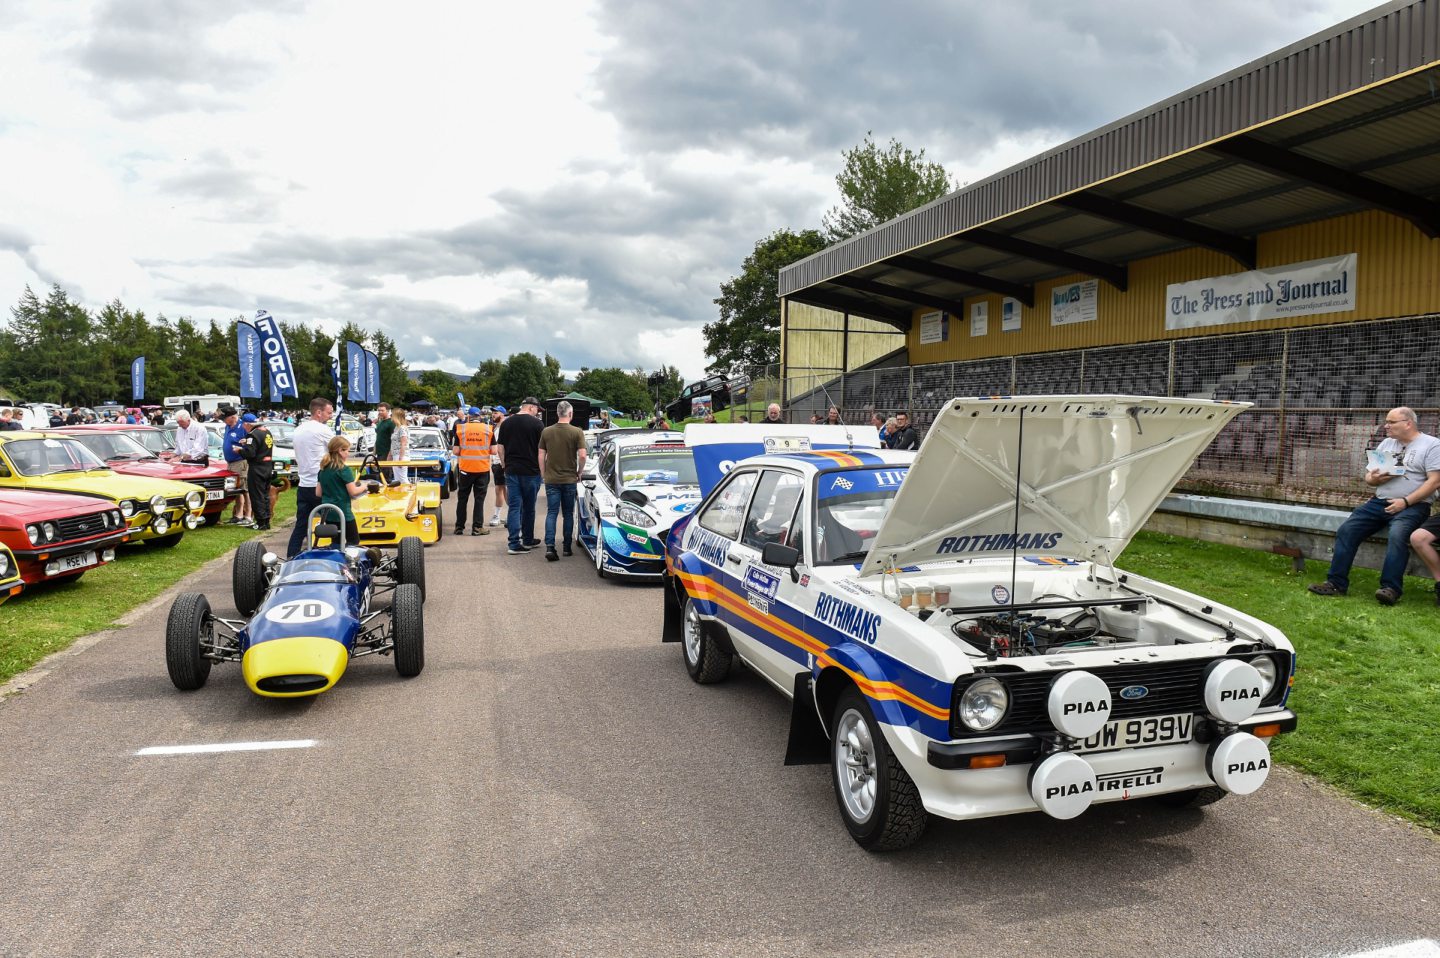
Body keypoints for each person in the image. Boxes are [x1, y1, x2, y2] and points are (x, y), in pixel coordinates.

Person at [1309, 407, 1440, 604]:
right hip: (1379, 502)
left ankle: (1390, 588)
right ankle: (1335, 583)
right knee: (1347, 530)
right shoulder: (1387, 443)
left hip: (1414, 505)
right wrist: (1375, 478)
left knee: (1397, 535)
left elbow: (1434, 481)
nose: (1386, 426)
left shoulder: (1431, 445)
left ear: (1408, 423)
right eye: (1386, 422)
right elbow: (1369, 477)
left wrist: (1405, 502)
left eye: (1391, 422)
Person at [538, 400, 586, 560]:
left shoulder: (546, 431)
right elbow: (582, 455)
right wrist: (579, 472)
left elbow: (541, 454)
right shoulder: (577, 432)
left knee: (551, 512)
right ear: (570, 414)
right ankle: (566, 547)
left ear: (558, 413)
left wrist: (543, 473)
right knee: (567, 513)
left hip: (551, 479)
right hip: (569, 479)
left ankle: (550, 547)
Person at [287, 397, 335, 557]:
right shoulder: (323, 430)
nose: (331, 416)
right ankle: (337, 556)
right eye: (329, 413)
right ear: (318, 412)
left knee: (301, 525)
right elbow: (338, 449)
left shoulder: (298, 429)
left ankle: (291, 556)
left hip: (304, 484)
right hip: (321, 484)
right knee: (335, 522)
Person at [496, 396, 544, 555]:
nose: (537, 413)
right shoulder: (537, 424)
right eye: (537, 409)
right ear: (531, 407)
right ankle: (527, 540)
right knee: (529, 508)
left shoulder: (506, 423)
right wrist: (542, 469)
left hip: (512, 470)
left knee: (514, 507)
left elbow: (500, 448)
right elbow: (542, 450)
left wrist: (505, 465)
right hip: (531, 471)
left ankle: (514, 543)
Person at [318, 435, 367, 545]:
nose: (348, 454)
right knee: (353, 541)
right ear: (340, 450)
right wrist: (364, 486)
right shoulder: (344, 470)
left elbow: (318, 493)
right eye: (347, 451)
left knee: (336, 541)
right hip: (343, 511)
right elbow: (353, 491)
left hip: (328, 512)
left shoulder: (323, 469)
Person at [452, 406, 493, 535]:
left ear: (468, 417)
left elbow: (455, 451)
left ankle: (459, 527)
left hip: (466, 469)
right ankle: (477, 528)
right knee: (479, 499)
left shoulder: (461, 429)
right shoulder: (488, 429)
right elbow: (494, 451)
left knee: (462, 498)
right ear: (480, 416)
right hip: (482, 469)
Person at [238, 413, 275, 531]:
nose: (243, 427)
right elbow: (261, 446)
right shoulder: (267, 431)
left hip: (257, 468)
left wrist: (240, 450)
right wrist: (247, 443)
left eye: (243, 424)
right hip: (267, 466)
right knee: (265, 495)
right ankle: (266, 521)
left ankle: (260, 522)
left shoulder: (252, 434)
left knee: (256, 495)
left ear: (247, 424)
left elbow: (250, 454)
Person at [220, 407, 254, 527]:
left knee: (245, 489)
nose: (223, 421)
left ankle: (248, 515)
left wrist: (242, 448)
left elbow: (250, 444)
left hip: (240, 461)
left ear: (233, 417)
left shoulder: (242, 426)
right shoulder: (228, 426)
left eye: (225, 418)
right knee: (236, 489)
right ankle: (238, 515)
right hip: (230, 462)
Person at [488, 406, 508, 526]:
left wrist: (503, 462)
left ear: (502, 414)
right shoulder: (496, 427)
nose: (493, 415)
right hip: (496, 462)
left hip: (502, 462)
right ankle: (509, 515)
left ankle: (498, 515)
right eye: (493, 413)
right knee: (502, 489)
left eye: (496, 413)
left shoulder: (505, 427)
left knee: (501, 489)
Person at [389, 406, 410, 483]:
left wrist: (401, 458)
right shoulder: (396, 428)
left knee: (402, 479)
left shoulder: (402, 428)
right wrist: (390, 454)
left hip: (401, 455)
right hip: (396, 455)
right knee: (398, 479)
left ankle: (409, 490)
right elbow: (393, 443)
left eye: (392, 415)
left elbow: (403, 443)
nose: (391, 416)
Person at [373, 401, 394, 470]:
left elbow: (394, 440)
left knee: (385, 474)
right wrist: (373, 454)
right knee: (379, 474)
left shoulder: (391, 422)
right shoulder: (380, 422)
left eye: (382, 410)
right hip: (379, 453)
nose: (380, 412)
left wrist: (390, 455)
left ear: (388, 411)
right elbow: (378, 438)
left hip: (386, 453)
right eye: (379, 410)